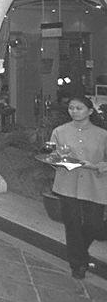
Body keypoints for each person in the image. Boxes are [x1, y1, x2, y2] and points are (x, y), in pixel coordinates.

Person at [49, 96, 107, 279]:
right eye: (71, 108)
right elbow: (52, 156)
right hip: (68, 183)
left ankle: (80, 252)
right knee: (72, 224)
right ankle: (78, 263)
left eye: (79, 108)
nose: (74, 111)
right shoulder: (60, 131)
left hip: (94, 183)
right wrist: (57, 161)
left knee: (95, 224)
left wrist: (97, 165)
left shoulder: (102, 134)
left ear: (90, 111)